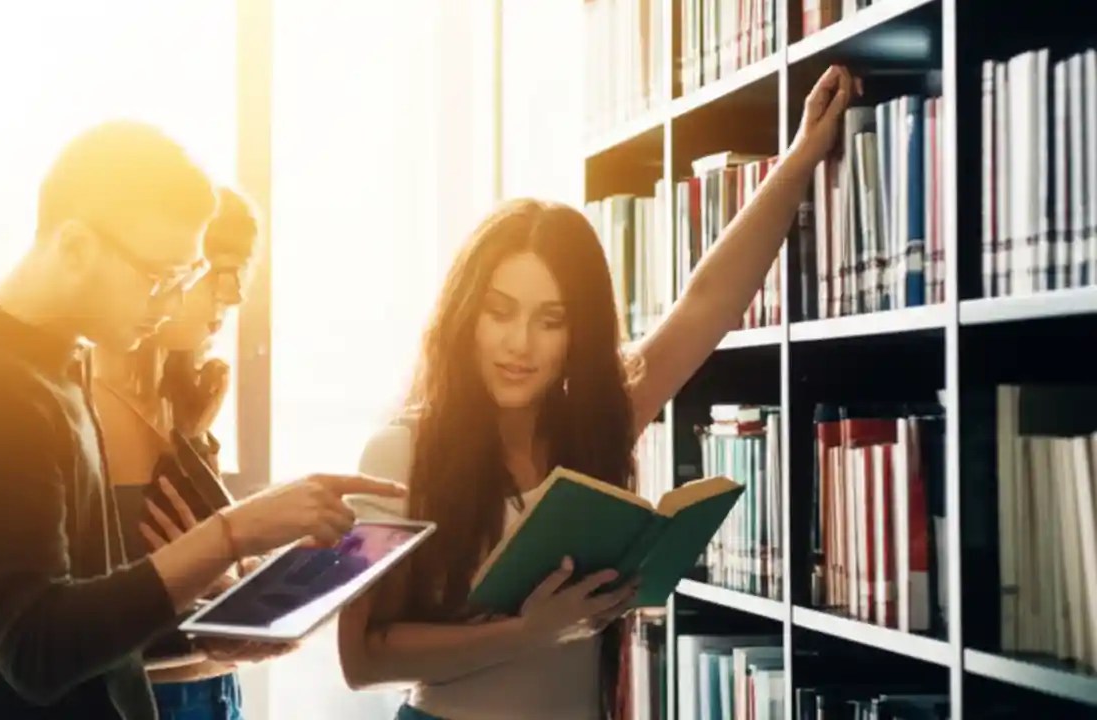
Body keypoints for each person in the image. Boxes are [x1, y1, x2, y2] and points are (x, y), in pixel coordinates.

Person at [337, 65, 860, 720]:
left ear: (576, 334)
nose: (519, 344)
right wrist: (524, 634)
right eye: (499, 311)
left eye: (550, 320)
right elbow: (360, 659)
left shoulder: (594, 426)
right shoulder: (395, 453)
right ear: (464, 313)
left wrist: (803, 156)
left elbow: (706, 305)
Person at [0, 120, 403, 720]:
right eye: (159, 279)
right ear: (77, 247)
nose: (166, 308)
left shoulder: (50, 368)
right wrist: (230, 534)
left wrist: (200, 634)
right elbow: (36, 652)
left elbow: (71, 621)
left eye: (182, 281)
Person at [90, 186, 270, 720]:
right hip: (144, 702)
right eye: (222, 271)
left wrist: (242, 585)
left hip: (218, 695)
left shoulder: (185, 407)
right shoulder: (83, 404)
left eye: (244, 276)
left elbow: (207, 566)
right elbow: (68, 630)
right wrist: (221, 609)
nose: (234, 297)